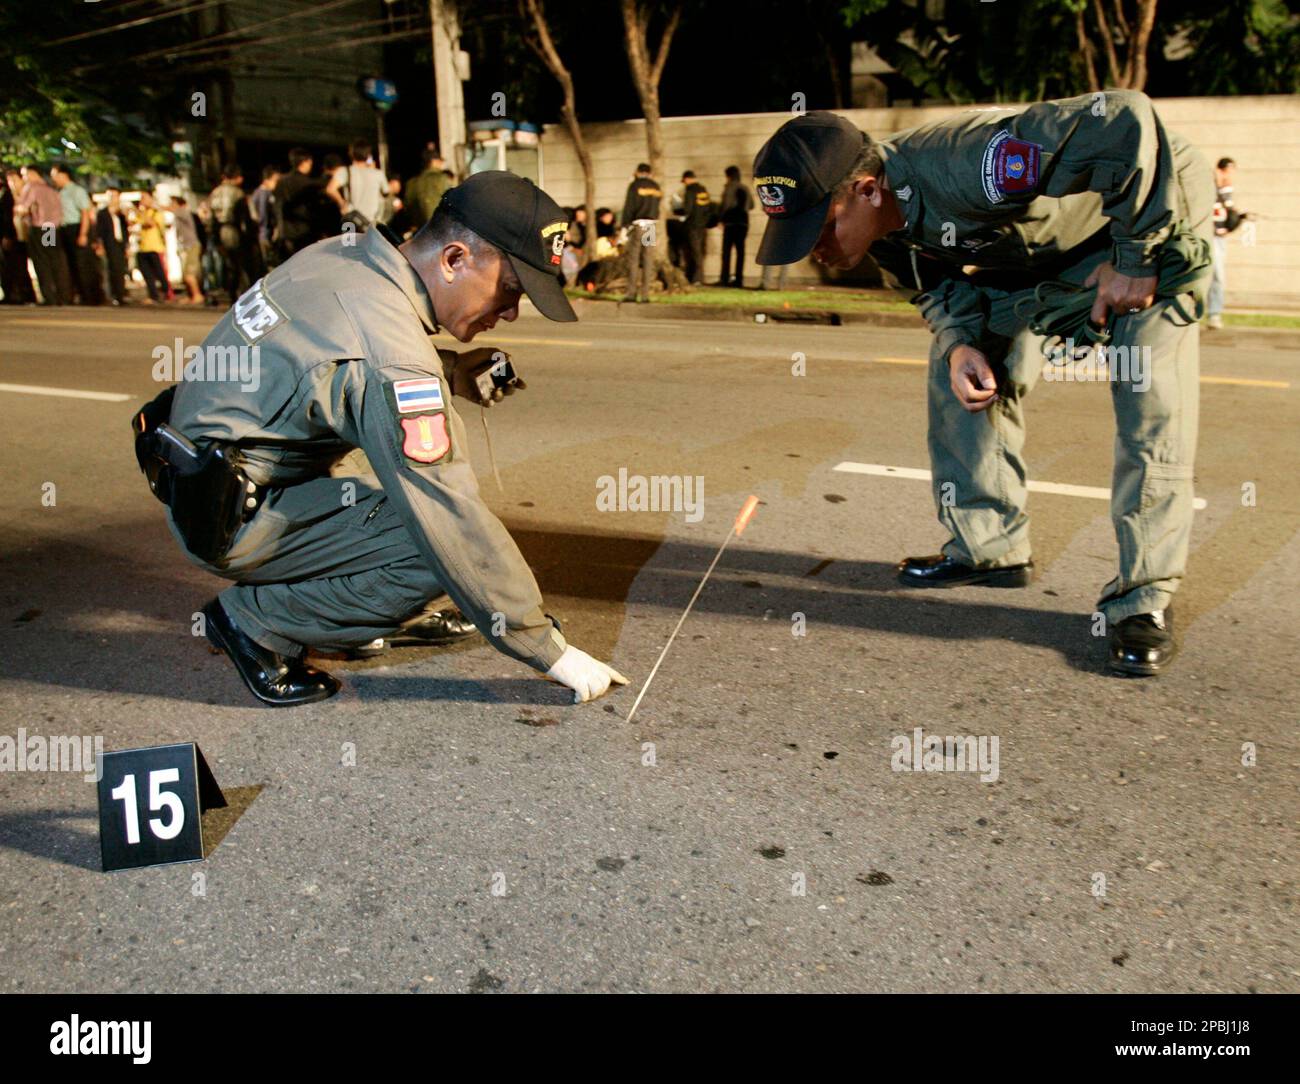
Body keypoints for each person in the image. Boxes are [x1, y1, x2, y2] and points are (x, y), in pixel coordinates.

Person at [130, 170, 626, 708]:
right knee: (432, 542)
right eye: (511, 289)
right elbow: (447, 510)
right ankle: (254, 622)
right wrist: (543, 646)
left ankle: (360, 608)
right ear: (455, 259)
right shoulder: (392, 359)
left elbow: (331, 355)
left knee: (392, 479)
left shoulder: (346, 256)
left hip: (210, 477)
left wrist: (452, 371)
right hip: (235, 516)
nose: (511, 312)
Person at [754, 97, 1213, 676]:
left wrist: (1136, 255)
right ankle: (989, 547)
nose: (814, 252)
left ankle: (1143, 599)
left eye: (819, 229)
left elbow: (1123, 119)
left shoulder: (973, 163)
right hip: (1032, 251)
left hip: (1141, 211)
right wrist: (961, 343)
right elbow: (938, 292)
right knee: (962, 376)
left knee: (1149, 398)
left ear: (867, 190)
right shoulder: (883, 230)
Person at [15, 165, 72, 305]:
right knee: (54, 260)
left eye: (25, 174)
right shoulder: (51, 189)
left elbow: (22, 207)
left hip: (39, 227)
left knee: (42, 262)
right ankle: (62, 296)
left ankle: (49, 297)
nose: (24, 178)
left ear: (33, 173)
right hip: (51, 227)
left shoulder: (31, 188)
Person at [49, 164, 103, 305]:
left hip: (77, 228)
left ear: (63, 174)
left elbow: (86, 213)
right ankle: (79, 295)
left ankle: (91, 297)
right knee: (71, 265)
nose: (53, 178)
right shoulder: (59, 192)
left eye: (54, 174)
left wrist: (83, 234)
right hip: (64, 229)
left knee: (83, 264)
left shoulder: (77, 191)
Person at [1207, 157, 1249, 331]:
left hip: (1219, 238)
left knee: (1218, 276)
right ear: (1220, 170)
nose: (1230, 176)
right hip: (1207, 237)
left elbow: (1228, 215)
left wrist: (1237, 219)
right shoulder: (1209, 187)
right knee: (1210, 274)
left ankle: (1214, 314)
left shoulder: (1226, 191)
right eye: (1228, 172)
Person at [273, 148, 337, 260]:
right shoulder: (308, 183)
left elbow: (276, 207)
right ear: (305, 162)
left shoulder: (280, 182)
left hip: (286, 233)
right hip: (305, 233)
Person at [619, 163, 661, 303]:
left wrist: (625, 225)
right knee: (648, 260)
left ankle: (632, 293)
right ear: (649, 173)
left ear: (637, 172)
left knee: (634, 260)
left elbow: (629, 206)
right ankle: (645, 294)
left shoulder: (635, 185)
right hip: (651, 226)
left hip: (638, 225)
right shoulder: (655, 186)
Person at [327, 140, 387, 229]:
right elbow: (386, 192)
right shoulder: (378, 174)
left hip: (350, 221)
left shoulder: (345, 171)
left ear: (351, 154)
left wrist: (342, 203)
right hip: (372, 223)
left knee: (349, 243)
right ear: (368, 155)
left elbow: (330, 189)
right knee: (370, 243)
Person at [209, 164, 246, 302]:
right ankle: (238, 293)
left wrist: (214, 236)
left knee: (226, 264)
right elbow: (244, 216)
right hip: (234, 230)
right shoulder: (237, 193)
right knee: (238, 264)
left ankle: (230, 294)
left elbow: (211, 218)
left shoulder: (215, 193)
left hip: (219, 231)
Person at [1, 170, 36, 304]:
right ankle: (18, 294)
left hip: (38, 233)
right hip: (20, 235)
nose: (12, 183)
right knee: (16, 266)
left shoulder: (35, 192)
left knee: (46, 259)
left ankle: (26, 294)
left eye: (15, 180)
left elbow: (47, 219)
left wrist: (48, 241)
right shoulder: (9, 195)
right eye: (10, 180)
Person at [717, 165, 754, 287]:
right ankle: (739, 279)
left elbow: (725, 205)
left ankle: (725, 278)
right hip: (743, 223)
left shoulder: (729, 188)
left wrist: (720, 219)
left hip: (731, 223)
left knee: (726, 252)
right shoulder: (745, 188)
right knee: (740, 252)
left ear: (729, 176)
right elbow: (751, 205)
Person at [94, 186, 130, 305]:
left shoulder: (121, 213)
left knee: (120, 269)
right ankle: (114, 294)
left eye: (115, 196)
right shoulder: (103, 213)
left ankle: (121, 294)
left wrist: (127, 246)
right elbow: (99, 231)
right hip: (109, 243)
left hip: (120, 243)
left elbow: (126, 229)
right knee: (111, 269)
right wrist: (100, 245)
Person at [132, 192, 169, 304]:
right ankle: (153, 295)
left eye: (144, 198)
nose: (142, 200)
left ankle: (166, 293)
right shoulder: (143, 213)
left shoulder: (156, 212)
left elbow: (151, 223)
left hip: (155, 247)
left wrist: (139, 211)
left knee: (159, 272)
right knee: (147, 273)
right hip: (142, 247)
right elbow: (133, 223)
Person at [168, 195, 205, 304]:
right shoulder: (179, 215)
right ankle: (191, 295)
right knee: (186, 274)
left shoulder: (183, 212)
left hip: (191, 246)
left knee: (190, 274)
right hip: (185, 247)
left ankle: (197, 295)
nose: (171, 206)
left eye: (173, 203)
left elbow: (167, 209)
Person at [405, 145, 450, 230]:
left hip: (420, 232)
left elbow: (408, 209)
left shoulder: (411, 183)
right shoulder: (442, 178)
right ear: (433, 161)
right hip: (440, 229)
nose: (441, 164)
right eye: (440, 161)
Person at [677, 170, 710, 285]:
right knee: (700, 251)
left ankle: (696, 278)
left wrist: (677, 211)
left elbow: (687, 209)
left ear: (687, 179)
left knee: (693, 252)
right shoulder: (703, 190)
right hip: (703, 225)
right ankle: (698, 277)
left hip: (692, 226)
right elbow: (707, 208)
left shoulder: (690, 191)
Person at [249, 165, 280, 271]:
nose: (277, 184)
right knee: (269, 261)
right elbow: (263, 215)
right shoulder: (263, 193)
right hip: (264, 232)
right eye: (275, 180)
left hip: (263, 232)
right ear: (266, 180)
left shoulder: (259, 192)